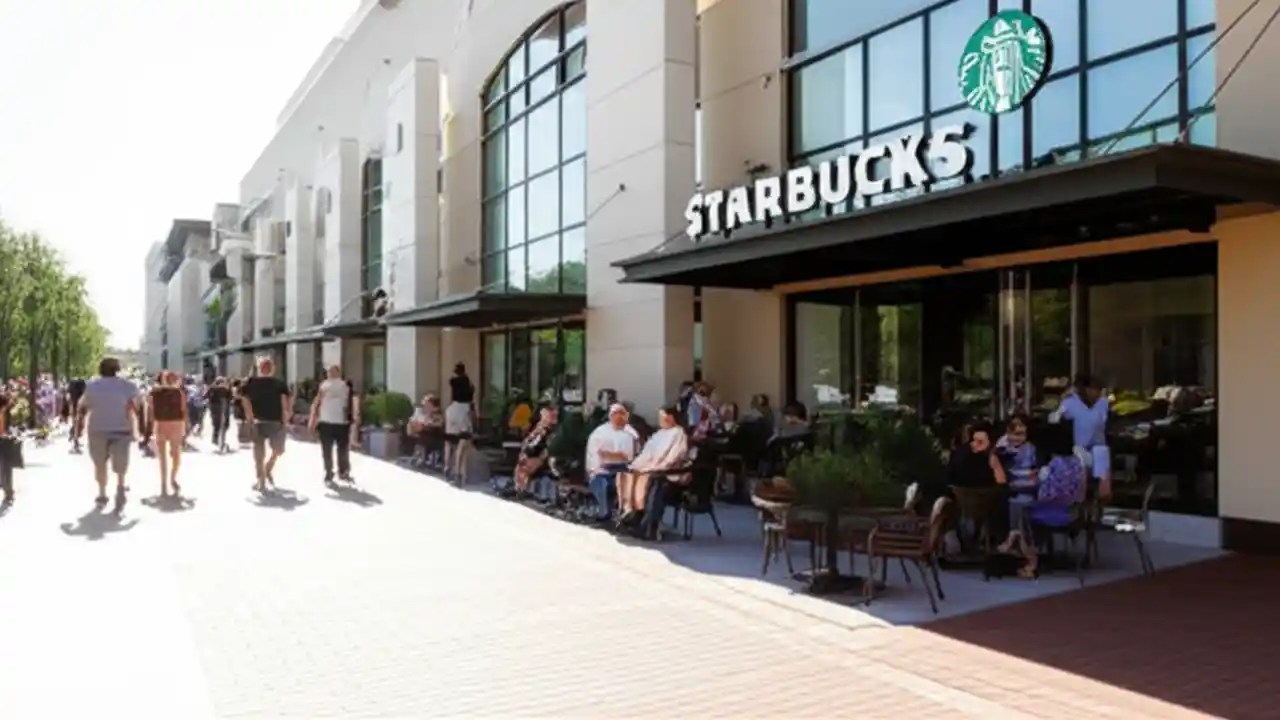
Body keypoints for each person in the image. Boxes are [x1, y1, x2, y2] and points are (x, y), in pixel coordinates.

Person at [77, 357, 140, 512]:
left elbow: (82, 406)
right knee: (121, 462)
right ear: (117, 370)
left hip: (98, 429)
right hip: (122, 429)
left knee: (100, 463)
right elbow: (136, 407)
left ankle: (102, 493)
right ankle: (120, 487)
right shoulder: (128, 386)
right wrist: (138, 430)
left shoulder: (92, 386)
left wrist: (77, 429)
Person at [616, 406, 690, 532]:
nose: (660, 420)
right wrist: (636, 465)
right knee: (626, 473)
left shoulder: (679, 433)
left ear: (671, 418)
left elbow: (674, 457)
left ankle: (644, 518)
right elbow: (646, 454)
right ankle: (629, 511)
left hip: (668, 474)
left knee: (649, 477)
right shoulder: (658, 434)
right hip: (651, 467)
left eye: (663, 417)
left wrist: (654, 467)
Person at [1051, 373, 1111, 500]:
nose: (1097, 393)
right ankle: (1079, 503)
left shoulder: (1103, 403)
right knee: (1080, 469)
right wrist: (1061, 405)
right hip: (1078, 449)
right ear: (1086, 390)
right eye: (1094, 389)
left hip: (1098, 448)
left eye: (1099, 389)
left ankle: (1102, 501)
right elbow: (1054, 419)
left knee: (1103, 464)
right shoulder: (1070, 403)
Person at [240, 356, 291, 493]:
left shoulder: (252, 382)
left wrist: (249, 416)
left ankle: (264, 473)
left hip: (262, 420)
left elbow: (245, 400)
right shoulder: (276, 383)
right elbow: (285, 401)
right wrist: (286, 417)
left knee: (263, 451)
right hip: (272, 420)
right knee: (274, 449)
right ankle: (263, 475)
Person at [585, 403, 639, 521]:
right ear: (610, 416)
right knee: (602, 482)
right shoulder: (599, 433)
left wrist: (613, 456)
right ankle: (605, 512)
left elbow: (629, 457)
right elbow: (599, 456)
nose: (619, 417)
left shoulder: (631, 433)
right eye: (616, 414)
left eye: (622, 414)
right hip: (600, 470)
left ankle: (627, 513)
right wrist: (615, 456)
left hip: (623, 470)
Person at [309, 365, 354, 488]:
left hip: (332, 421)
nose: (330, 374)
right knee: (340, 448)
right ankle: (339, 471)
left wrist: (312, 420)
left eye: (331, 371)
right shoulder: (341, 385)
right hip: (335, 421)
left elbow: (316, 403)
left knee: (329, 449)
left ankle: (332, 471)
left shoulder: (328, 385)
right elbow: (317, 402)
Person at [148, 371, 188, 497]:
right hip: (164, 424)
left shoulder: (178, 392)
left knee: (174, 455)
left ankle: (171, 478)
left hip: (172, 424)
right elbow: (150, 410)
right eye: (168, 378)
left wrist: (186, 426)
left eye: (172, 378)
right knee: (165, 456)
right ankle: (166, 481)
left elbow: (184, 410)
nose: (171, 381)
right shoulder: (156, 393)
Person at [444, 362, 475, 485]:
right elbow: (471, 400)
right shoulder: (469, 384)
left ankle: (447, 467)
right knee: (464, 444)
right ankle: (460, 473)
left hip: (452, 410)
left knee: (449, 442)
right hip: (464, 411)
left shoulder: (453, 381)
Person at [407, 394, 445, 468]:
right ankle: (420, 457)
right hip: (420, 434)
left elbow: (439, 423)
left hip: (434, 437)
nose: (423, 403)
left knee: (424, 436)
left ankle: (422, 458)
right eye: (423, 401)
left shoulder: (437, 413)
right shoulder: (419, 411)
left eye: (426, 402)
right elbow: (412, 422)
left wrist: (428, 421)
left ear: (432, 405)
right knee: (422, 435)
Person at [206, 377, 233, 453]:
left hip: (215, 408)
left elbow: (207, 396)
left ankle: (216, 440)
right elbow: (231, 398)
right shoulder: (227, 388)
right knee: (224, 425)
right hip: (222, 408)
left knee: (217, 425)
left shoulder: (212, 388)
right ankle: (220, 442)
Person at [0, 392, 15, 507]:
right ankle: (9, 493)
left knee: (5, 470)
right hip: (4, 443)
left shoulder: (3, 414)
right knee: (6, 470)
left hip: (3, 443)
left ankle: (9, 493)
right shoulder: (4, 413)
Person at [67, 377, 87, 453]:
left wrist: (70, 406)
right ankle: (75, 441)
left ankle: (75, 439)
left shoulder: (72, 383)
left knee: (76, 423)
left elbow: (68, 396)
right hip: (80, 406)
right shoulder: (82, 383)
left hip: (75, 405)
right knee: (79, 424)